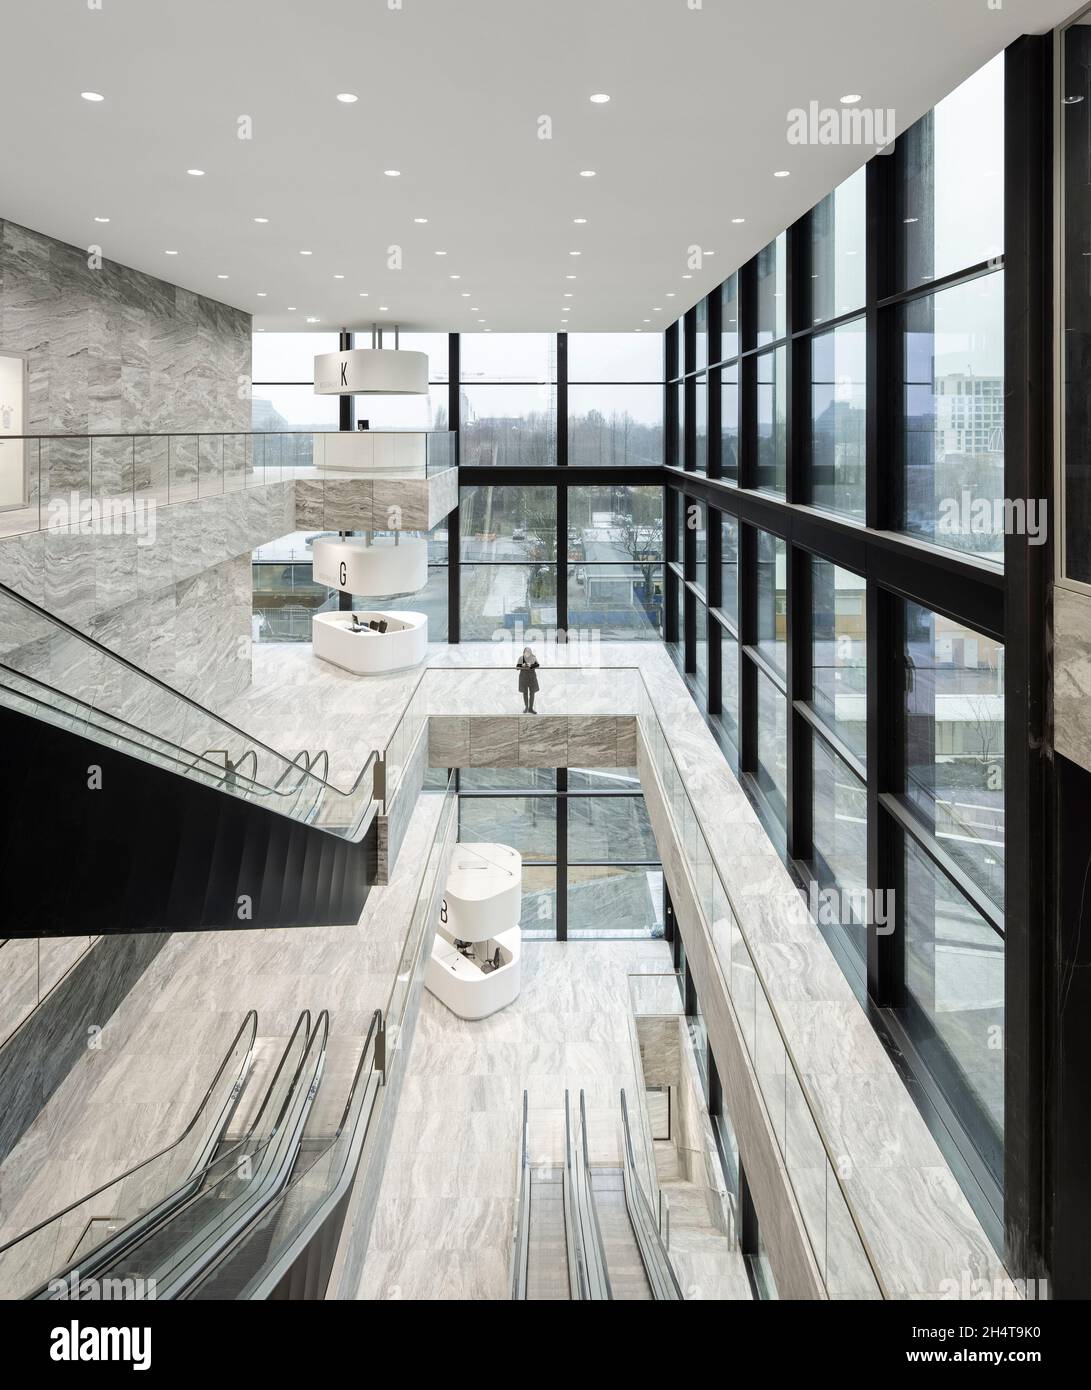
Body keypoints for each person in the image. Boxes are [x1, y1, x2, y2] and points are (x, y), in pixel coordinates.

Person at [516, 646, 540, 713]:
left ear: (530, 652)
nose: (527, 653)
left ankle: (531, 708)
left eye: (528, 652)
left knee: (532, 693)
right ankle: (526, 707)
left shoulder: (533, 658)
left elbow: (538, 665)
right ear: (524, 652)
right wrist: (522, 666)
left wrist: (531, 665)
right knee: (525, 693)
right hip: (523, 678)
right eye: (526, 652)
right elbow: (517, 668)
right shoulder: (521, 658)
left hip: (532, 678)